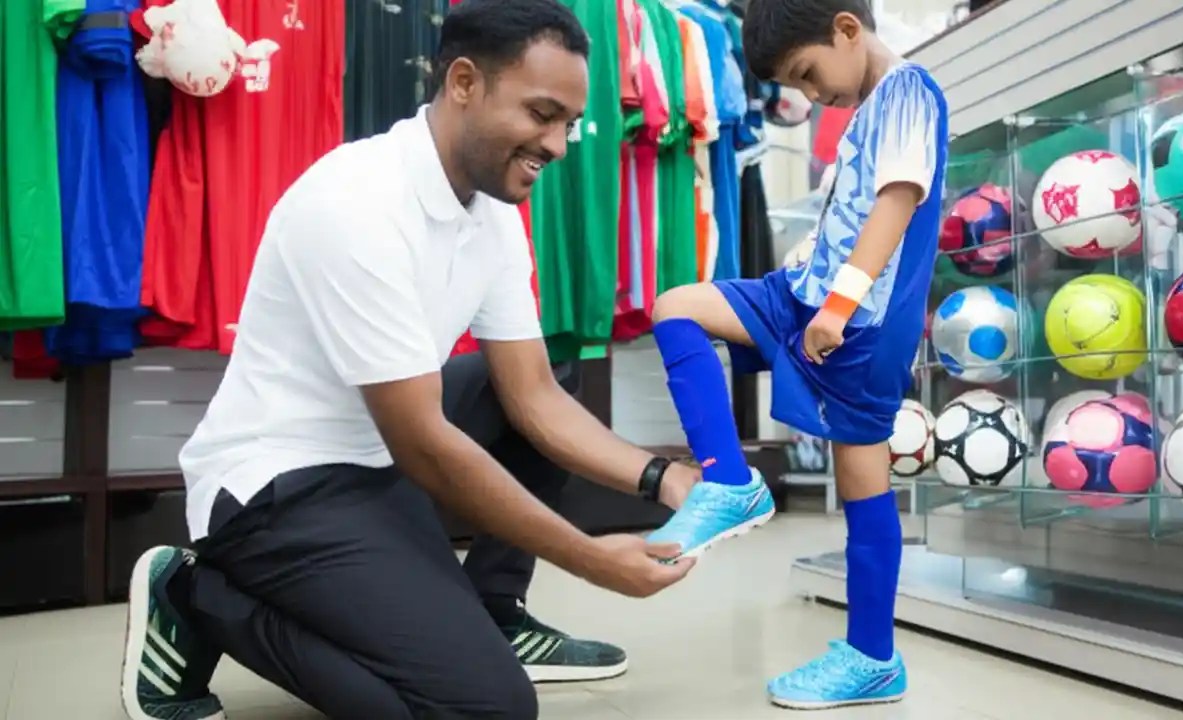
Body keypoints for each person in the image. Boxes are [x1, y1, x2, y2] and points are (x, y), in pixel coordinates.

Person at [118, 2, 701, 719]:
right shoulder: (356, 201)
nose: (558, 143)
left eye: (569, 123)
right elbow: (424, 444)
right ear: (462, 82)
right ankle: (199, 595)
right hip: (277, 485)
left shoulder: (493, 214)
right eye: (542, 114)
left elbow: (535, 398)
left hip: (373, 459)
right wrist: (591, 559)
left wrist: (664, 477)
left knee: (530, 377)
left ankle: (495, 612)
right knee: (484, 709)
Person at [644, 0, 948, 710]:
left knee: (862, 481)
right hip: (802, 292)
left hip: (860, 324)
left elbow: (896, 203)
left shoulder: (908, 88)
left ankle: (873, 658)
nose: (813, 96)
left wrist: (839, 304)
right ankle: (727, 481)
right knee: (677, 308)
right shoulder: (868, 106)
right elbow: (848, 212)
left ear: (847, 29)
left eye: (809, 75)